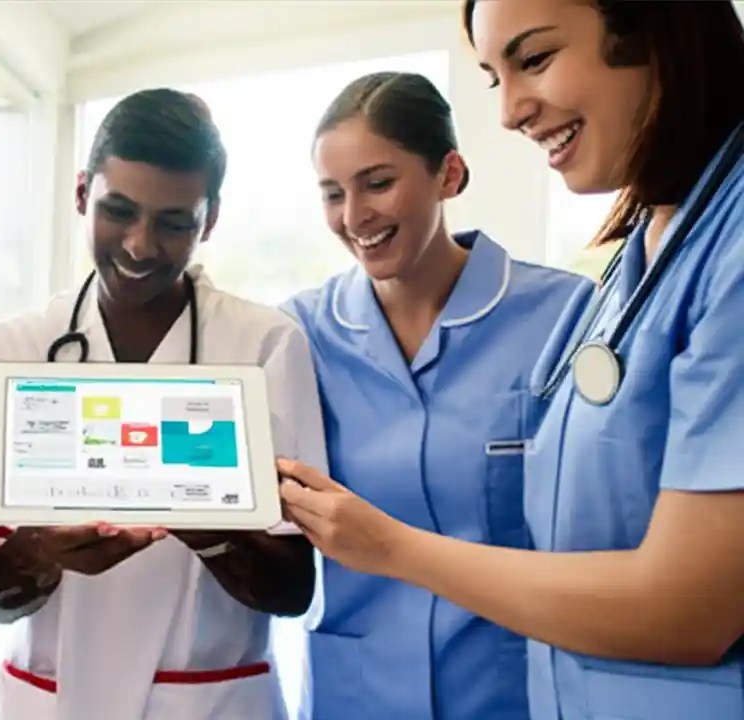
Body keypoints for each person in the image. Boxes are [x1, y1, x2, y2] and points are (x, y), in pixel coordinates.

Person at [279, 2, 744, 719]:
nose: (510, 112)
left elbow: (690, 602)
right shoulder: (639, 268)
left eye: (533, 59)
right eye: (496, 77)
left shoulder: (576, 303)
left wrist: (395, 548)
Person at [0, 88, 328, 720]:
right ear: (82, 195)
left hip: (205, 703)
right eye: (117, 210)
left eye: (173, 222)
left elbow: (295, 588)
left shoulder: (263, 345)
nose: (139, 244)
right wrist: (42, 552)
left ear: (208, 221)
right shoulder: (15, 348)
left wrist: (209, 528)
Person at [280, 71, 589, 720]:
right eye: (332, 193)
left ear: (449, 175)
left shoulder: (569, 318)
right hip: (353, 699)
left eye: (379, 182)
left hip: (509, 695)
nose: (354, 216)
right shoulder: (297, 334)